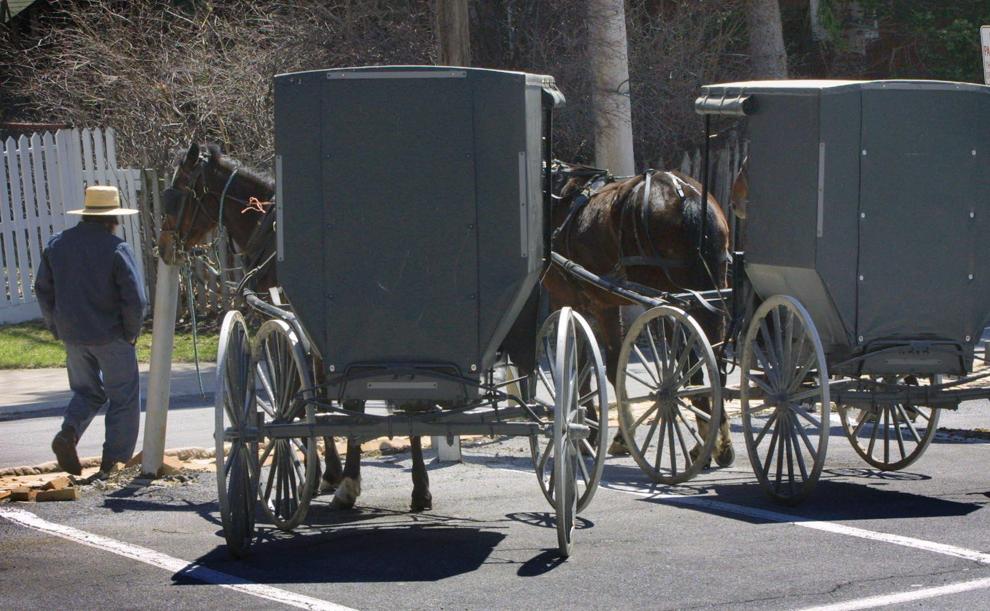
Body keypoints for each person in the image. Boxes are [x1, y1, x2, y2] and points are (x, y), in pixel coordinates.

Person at [34, 185, 147, 478]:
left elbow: (43, 290)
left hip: (73, 336)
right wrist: (131, 332)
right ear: (113, 218)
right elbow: (135, 299)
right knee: (123, 398)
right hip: (111, 336)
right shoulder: (116, 248)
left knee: (87, 392)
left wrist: (56, 326)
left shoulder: (57, 245)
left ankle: (68, 433)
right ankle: (114, 465)